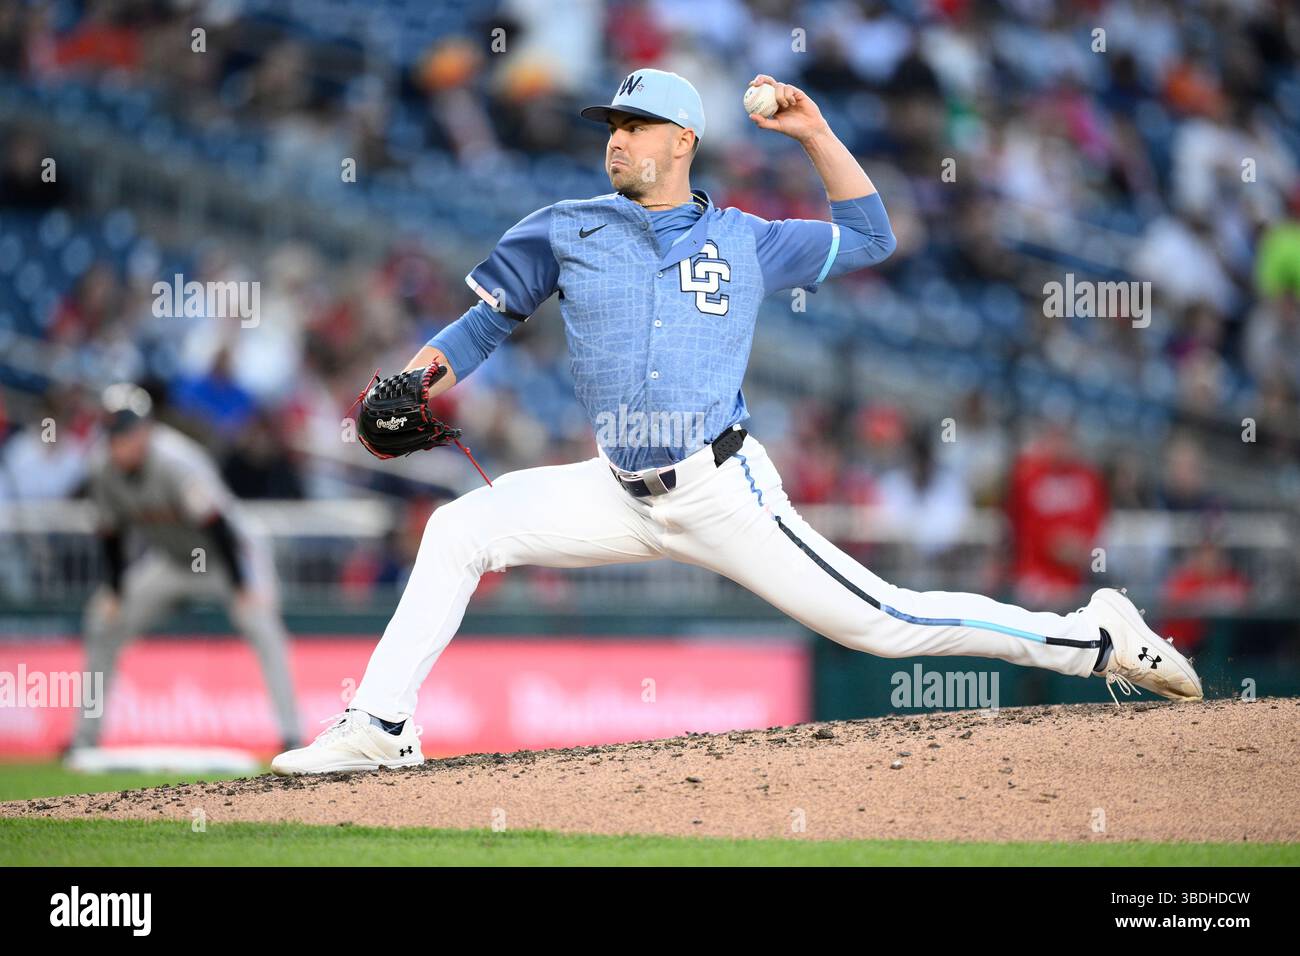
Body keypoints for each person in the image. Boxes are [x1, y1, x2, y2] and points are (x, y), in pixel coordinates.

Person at [272, 70, 1201, 775]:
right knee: (459, 527)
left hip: (721, 488)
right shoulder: (564, 227)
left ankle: (1096, 638)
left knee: (883, 625)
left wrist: (814, 130)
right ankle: (382, 727)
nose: (616, 140)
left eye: (633, 126)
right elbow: (484, 322)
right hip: (613, 487)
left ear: (682, 140)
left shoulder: (749, 239)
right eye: (610, 126)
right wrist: (414, 375)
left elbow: (875, 235)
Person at [70, 384, 301, 757]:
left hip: (229, 558)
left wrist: (243, 588)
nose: (120, 443)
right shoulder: (101, 467)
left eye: (126, 433)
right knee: (101, 620)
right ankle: (83, 741)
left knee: (262, 624)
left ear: (145, 430)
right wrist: (115, 591)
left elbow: (217, 525)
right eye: (113, 435)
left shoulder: (176, 460)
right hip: (173, 561)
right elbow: (111, 533)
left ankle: (292, 736)